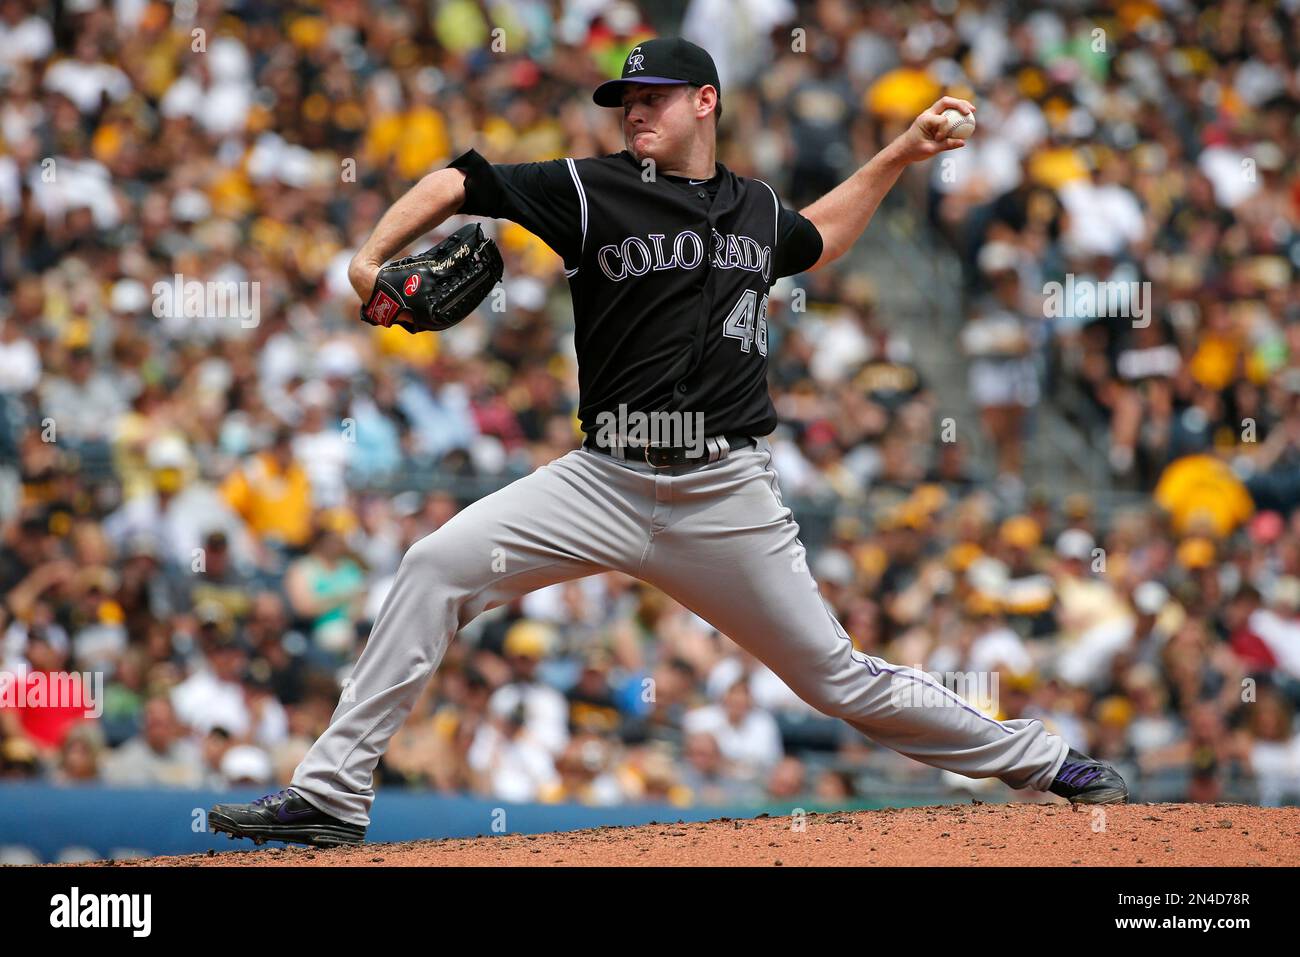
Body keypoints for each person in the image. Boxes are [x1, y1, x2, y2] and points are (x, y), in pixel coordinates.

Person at [210, 37, 1125, 848]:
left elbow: (821, 239)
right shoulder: (588, 187)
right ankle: (330, 795)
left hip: (722, 492)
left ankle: (1046, 762)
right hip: (600, 480)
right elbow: (460, 178)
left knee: (840, 678)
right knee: (434, 566)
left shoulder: (757, 207)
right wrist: (368, 259)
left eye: (651, 96)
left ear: (705, 102)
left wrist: (899, 151)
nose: (634, 110)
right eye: (624, 99)